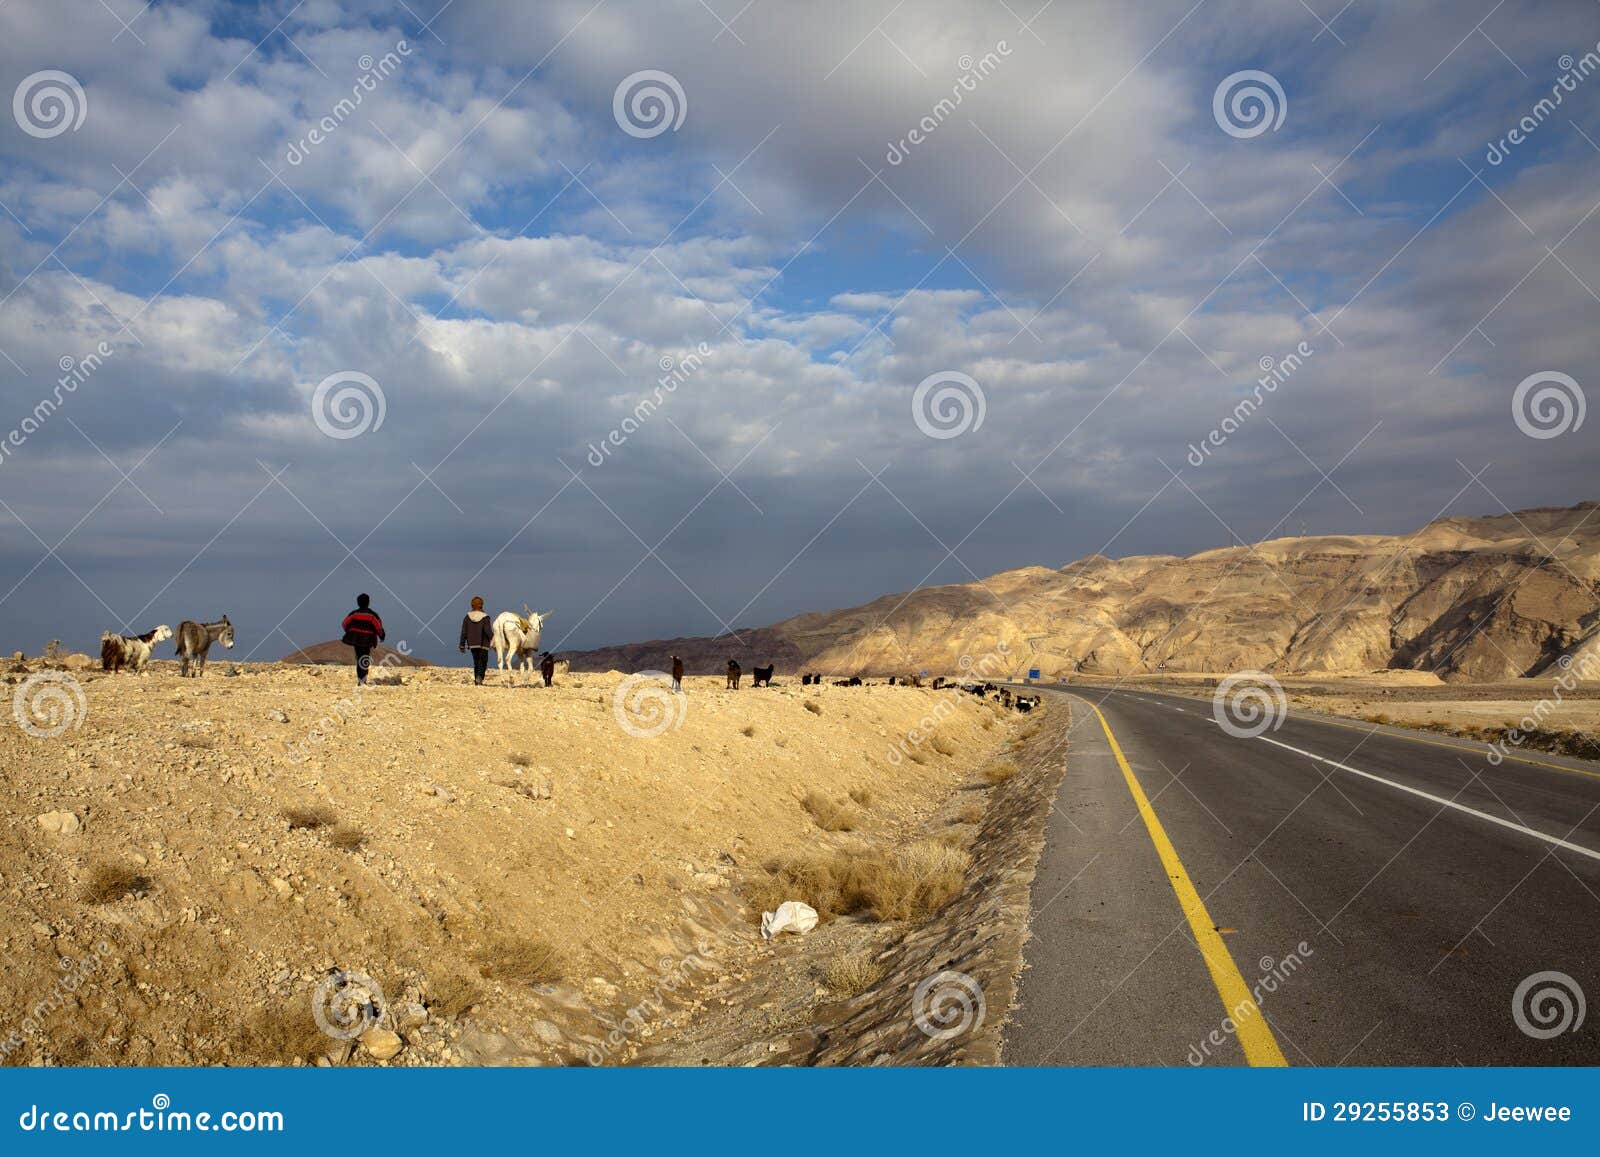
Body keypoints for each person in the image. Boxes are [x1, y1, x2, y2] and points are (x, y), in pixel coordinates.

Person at [341, 594, 385, 685]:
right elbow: (378, 627)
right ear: (368, 602)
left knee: (359, 657)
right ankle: (363, 679)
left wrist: (350, 631)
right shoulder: (373, 615)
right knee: (365, 658)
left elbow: (344, 623)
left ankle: (360, 679)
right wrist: (382, 636)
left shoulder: (354, 614)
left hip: (356, 639)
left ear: (358, 602)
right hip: (367, 640)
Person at [460, 596, 494, 685]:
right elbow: (488, 631)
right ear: (481, 605)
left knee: (476, 662)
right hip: (483, 644)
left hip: (472, 644)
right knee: (483, 661)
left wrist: (462, 645)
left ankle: (476, 680)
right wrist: (494, 640)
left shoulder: (467, 617)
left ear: (472, 605)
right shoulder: (485, 617)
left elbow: (464, 632)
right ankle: (479, 677)